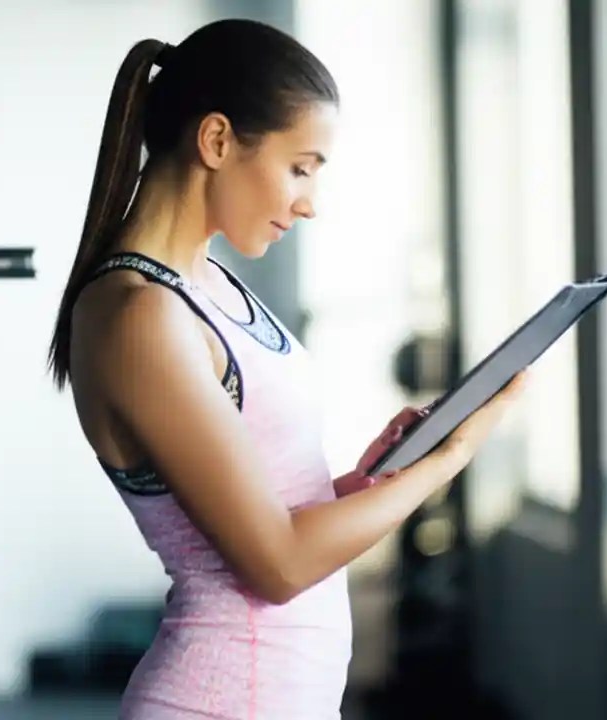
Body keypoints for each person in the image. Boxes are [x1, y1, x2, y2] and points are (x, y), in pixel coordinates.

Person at [47, 18, 529, 720]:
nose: (309, 201)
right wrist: (447, 459)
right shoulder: (138, 317)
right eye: (299, 166)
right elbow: (278, 565)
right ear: (216, 141)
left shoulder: (209, 287)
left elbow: (265, 512)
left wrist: (369, 482)